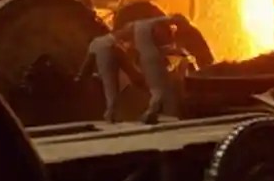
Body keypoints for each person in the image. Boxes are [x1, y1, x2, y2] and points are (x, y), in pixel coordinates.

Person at [77, 13, 211, 124]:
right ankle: (148, 113)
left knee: (112, 90)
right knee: (159, 91)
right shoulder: (125, 42)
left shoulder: (103, 44)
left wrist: (80, 77)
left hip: (141, 65)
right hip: (149, 66)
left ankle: (113, 114)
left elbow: (88, 66)